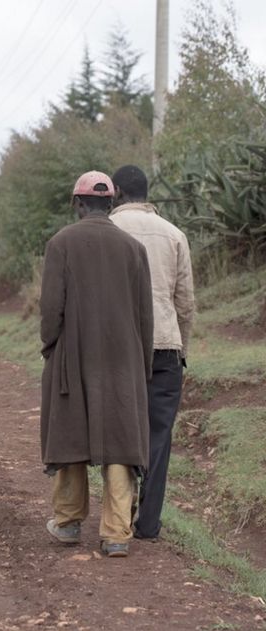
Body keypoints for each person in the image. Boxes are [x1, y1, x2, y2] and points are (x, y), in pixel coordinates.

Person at [40, 170, 153, 557]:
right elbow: (144, 316)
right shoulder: (133, 248)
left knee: (70, 434)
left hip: (74, 353)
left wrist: (50, 346)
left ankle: (69, 523)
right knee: (121, 440)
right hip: (124, 358)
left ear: (78, 203)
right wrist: (144, 365)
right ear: (112, 202)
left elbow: (51, 310)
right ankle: (117, 533)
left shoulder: (61, 243)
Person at [110, 164, 195, 540]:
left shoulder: (107, 231)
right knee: (159, 435)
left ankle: (118, 515)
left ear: (114, 193)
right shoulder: (175, 235)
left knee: (121, 429)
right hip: (166, 347)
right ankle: (148, 524)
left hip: (120, 347)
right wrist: (182, 350)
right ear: (147, 194)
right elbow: (186, 304)